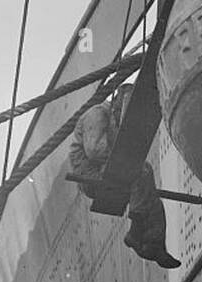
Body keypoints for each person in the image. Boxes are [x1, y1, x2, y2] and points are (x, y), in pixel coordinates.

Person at [68, 84, 180, 270]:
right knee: (141, 171)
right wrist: (125, 161)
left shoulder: (114, 118)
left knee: (152, 198)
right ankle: (136, 231)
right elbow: (95, 150)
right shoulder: (97, 114)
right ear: (115, 102)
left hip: (106, 170)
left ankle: (156, 245)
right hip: (90, 175)